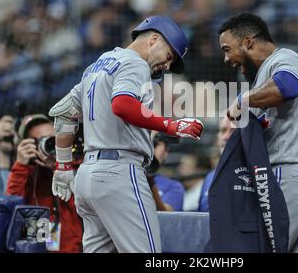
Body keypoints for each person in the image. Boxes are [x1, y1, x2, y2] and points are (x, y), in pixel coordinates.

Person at [48, 15, 203, 253]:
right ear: (154, 39)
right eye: (169, 56)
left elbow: (64, 113)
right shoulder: (135, 62)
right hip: (120, 174)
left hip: (87, 177)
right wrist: (172, 126)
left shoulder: (96, 65)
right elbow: (122, 104)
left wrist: (63, 165)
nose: (168, 66)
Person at [218, 12, 298, 252]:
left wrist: (243, 100)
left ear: (248, 42)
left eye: (227, 49)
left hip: (286, 176)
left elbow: (287, 86)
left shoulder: (284, 58)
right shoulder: (265, 73)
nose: (227, 59)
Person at [5, 114, 83, 253]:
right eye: (40, 141)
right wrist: (21, 166)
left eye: (52, 139)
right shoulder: (25, 174)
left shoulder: (75, 167)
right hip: (36, 248)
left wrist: (58, 168)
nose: (49, 145)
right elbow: (11, 210)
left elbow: (82, 208)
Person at [198, 115, 235, 212]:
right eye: (223, 131)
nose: (226, 137)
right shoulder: (210, 177)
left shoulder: (254, 175)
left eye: (232, 131)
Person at [148, 132, 184, 211]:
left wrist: (150, 181)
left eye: (154, 144)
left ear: (166, 152)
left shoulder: (173, 187)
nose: (149, 149)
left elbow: (167, 216)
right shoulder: (123, 176)